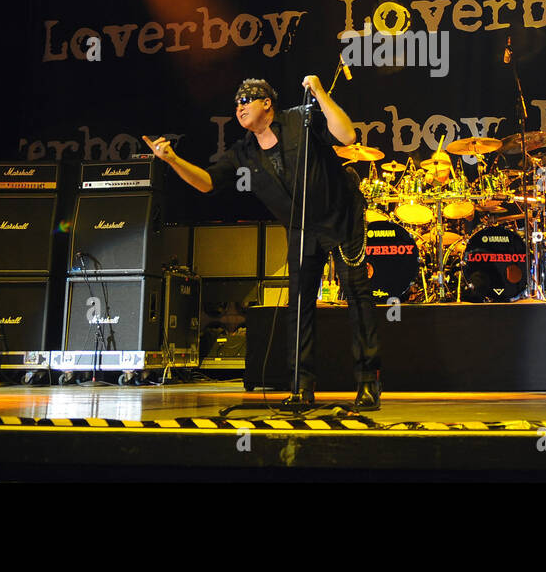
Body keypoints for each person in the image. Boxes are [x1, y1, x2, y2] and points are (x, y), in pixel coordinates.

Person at [149, 76, 381, 410]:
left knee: (358, 299)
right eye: (237, 103)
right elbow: (206, 183)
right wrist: (172, 160)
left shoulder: (301, 118)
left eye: (246, 100)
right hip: (301, 230)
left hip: (341, 217)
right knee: (299, 307)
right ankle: (301, 387)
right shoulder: (243, 151)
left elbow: (347, 135)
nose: (239, 107)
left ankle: (368, 384)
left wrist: (318, 92)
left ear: (266, 103)